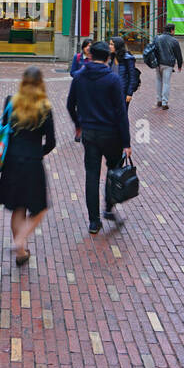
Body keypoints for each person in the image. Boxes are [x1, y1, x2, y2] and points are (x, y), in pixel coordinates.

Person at [0, 67, 56, 266]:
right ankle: (20, 241)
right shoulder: (44, 107)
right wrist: (39, 152)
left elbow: (4, 127)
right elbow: (51, 142)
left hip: (11, 161)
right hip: (32, 162)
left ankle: (21, 252)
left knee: (17, 207)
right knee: (40, 208)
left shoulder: (10, 102)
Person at [66, 41, 131, 235]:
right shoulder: (113, 80)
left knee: (91, 175)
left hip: (90, 134)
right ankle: (109, 207)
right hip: (111, 134)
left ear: (91, 55)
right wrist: (126, 142)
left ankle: (94, 222)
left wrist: (78, 124)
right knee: (113, 171)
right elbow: (121, 113)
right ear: (108, 58)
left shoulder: (79, 77)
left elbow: (70, 105)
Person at [153, 23, 182, 110]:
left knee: (158, 81)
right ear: (172, 30)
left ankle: (159, 99)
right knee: (166, 83)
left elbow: (153, 49)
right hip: (168, 64)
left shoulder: (157, 38)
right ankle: (164, 102)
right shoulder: (174, 41)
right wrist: (180, 65)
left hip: (158, 63)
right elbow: (178, 54)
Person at [109, 36, 139, 112]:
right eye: (110, 44)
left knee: (122, 114)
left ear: (117, 45)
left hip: (123, 92)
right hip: (112, 91)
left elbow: (132, 77)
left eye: (112, 44)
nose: (109, 46)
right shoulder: (112, 57)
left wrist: (129, 94)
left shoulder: (128, 59)